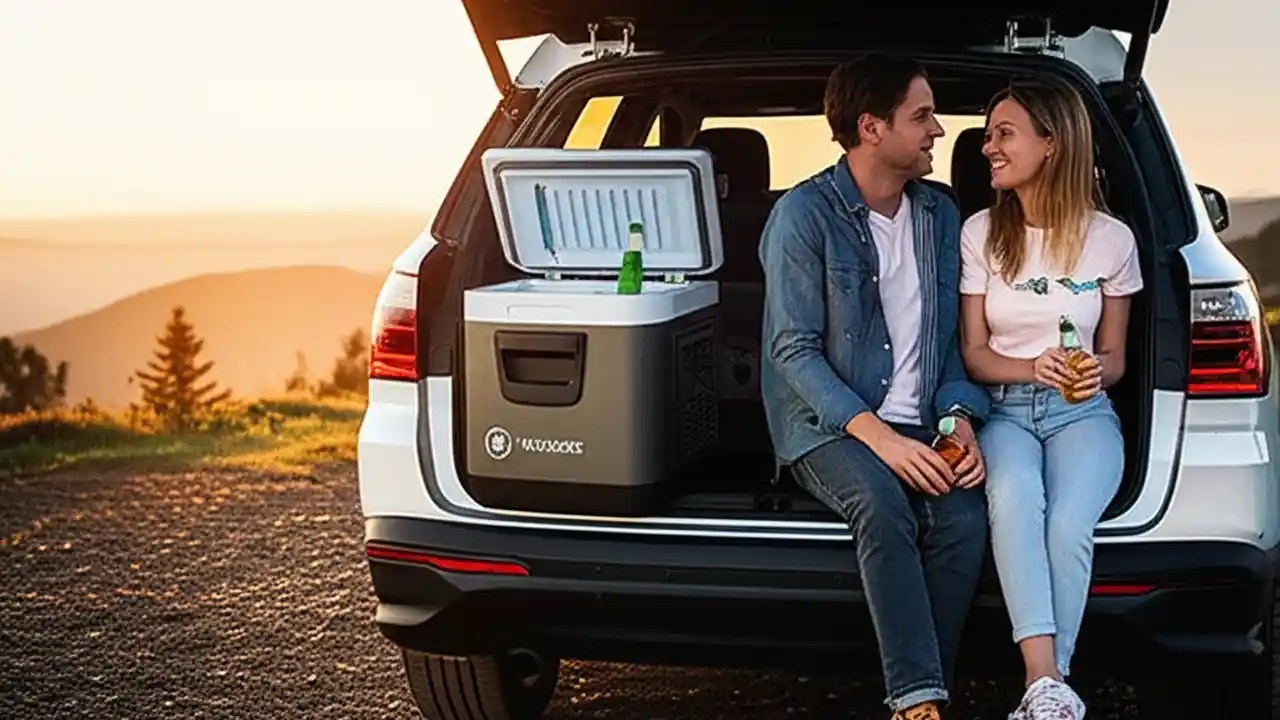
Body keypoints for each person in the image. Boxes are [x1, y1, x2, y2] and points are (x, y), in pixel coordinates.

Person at [758, 54, 991, 720]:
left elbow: (949, 342)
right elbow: (792, 352)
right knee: (883, 504)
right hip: (829, 425)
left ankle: (928, 691)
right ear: (870, 128)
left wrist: (957, 420)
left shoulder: (939, 215)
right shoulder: (803, 216)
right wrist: (883, 441)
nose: (938, 132)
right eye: (921, 117)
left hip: (924, 417)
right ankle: (917, 702)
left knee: (964, 520)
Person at [957, 81, 1143, 719]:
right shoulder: (981, 232)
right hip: (1005, 409)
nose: (988, 147)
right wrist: (1032, 366)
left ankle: (1046, 690)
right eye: (989, 133)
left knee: (1067, 524)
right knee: (1014, 502)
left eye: (1004, 133)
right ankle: (1048, 684)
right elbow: (975, 355)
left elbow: (1117, 359)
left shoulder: (1112, 240)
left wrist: (1093, 373)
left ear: (1051, 143)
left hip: (1083, 416)